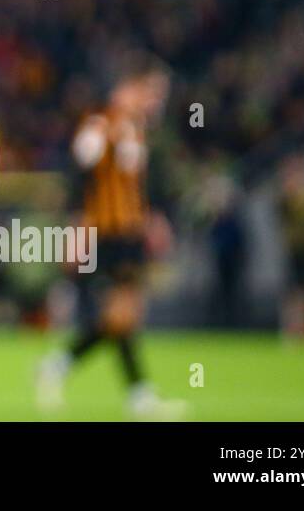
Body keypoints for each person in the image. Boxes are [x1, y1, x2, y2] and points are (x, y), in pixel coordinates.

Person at [36, 56, 187, 419]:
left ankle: (62, 367)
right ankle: (136, 394)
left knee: (121, 319)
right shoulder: (98, 125)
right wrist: (76, 229)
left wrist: (152, 219)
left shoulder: (135, 129)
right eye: (152, 93)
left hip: (130, 235)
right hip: (104, 236)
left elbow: (136, 185)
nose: (156, 103)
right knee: (121, 316)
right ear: (129, 88)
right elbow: (77, 178)